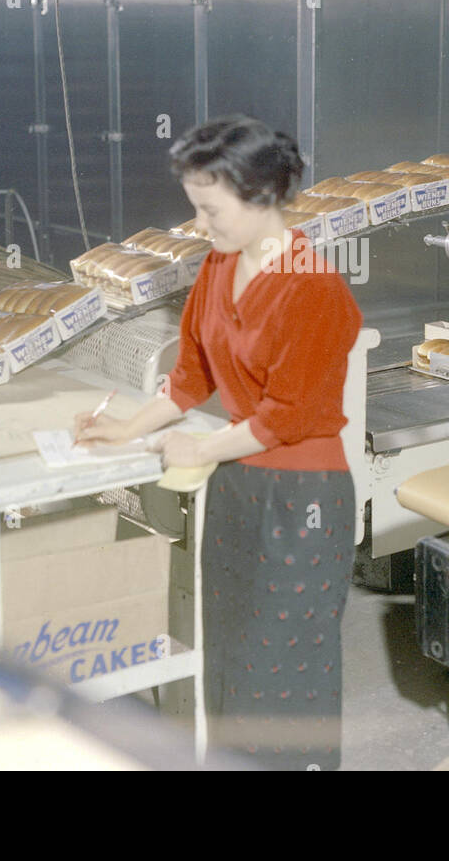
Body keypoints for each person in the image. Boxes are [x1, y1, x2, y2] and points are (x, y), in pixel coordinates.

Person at [74, 117, 362, 770]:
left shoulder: (312, 285)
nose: (201, 223)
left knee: (286, 667)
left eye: (210, 209)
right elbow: (190, 378)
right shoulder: (217, 267)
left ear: (261, 195)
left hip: (302, 500)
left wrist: (200, 451)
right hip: (237, 487)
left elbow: (289, 416)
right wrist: (125, 428)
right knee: (229, 658)